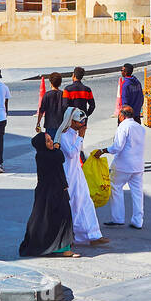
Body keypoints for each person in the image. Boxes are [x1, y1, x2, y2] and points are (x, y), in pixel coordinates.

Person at [18, 131, 76, 258]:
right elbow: (61, 157)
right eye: (48, 141)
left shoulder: (48, 153)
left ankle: (61, 247)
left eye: (51, 139)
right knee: (57, 219)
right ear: (41, 144)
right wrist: (56, 148)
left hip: (57, 190)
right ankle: (63, 249)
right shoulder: (43, 155)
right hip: (49, 193)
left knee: (57, 219)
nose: (51, 142)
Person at [58, 106, 108, 247]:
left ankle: (93, 235)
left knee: (86, 202)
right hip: (69, 175)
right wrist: (81, 137)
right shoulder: (64, 135)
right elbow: (72, 153)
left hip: (78, 174)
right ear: (71, 122)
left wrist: (79, 137)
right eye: (80, 123)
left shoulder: (74, 133)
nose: (82, 125)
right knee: (73, 205)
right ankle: (72, 236)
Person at [93, 104, 146, 229]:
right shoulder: (140, 127)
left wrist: (103, 150)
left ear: (122, 116)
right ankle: (138, 221)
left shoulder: (123, 127)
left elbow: (117, 147)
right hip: (138, 165)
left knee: (116, 188)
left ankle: (118, 218)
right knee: (138, 193)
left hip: (123, 165)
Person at [36, 71, 65, 136]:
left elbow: (41, 110)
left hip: (49, 125)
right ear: (60, 84)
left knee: (49, 143)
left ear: (51, 83)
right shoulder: (63, 94)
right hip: (61, 124)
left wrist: (38, 123)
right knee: (60, 144)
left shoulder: (47, 95)